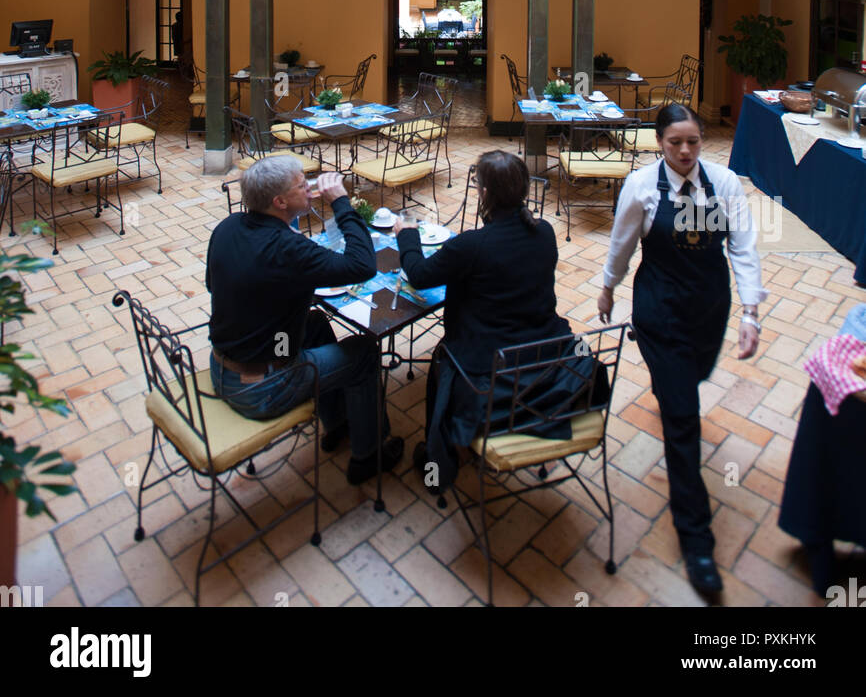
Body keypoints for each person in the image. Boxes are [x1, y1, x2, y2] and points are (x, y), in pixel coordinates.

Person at [597, 102, 766, 598]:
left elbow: (744, 247)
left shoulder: (724, 184)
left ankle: (674, 394)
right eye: (675, 143)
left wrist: (750, 313)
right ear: (659, 143)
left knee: (688, 385)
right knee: (683, 420)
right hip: (659, 310)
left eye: (693, 141)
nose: (686, 151)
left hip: (709, 309)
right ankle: (697, 541)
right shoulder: (642, 187)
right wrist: (608, 287)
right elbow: (622, 243)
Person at [396, 150, 607, 493]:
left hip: (490, 373)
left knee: (441, 360)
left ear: (484, 193)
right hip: (545, 357)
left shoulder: (471, 246)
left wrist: (406, 234)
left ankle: (438, 461)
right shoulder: (545, 233)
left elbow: (418, 275)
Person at [207, 155, 403, 485]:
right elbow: (362, 266)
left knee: (314, 324)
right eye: (302, 185)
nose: (310, 188)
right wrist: (340, 202)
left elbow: (218, 285)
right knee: (365, 351)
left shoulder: (227, 227)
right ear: (279, 201)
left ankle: (338, 423)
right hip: (260, 389)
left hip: (223, 366)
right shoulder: (288, 248)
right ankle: (369, 455)